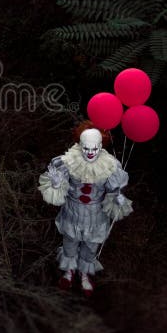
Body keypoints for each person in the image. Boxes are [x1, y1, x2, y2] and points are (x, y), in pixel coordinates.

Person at [37, 123, 133, 296]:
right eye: (86, 148)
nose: (90, 152)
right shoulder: (68, 162)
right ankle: (69, 271)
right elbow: (59, 188)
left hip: (96, 215)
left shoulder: (109, 165)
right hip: (72, 211)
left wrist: (117, 198)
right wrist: (57, 183)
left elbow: (113, 189)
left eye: (95, 148)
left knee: (90, 247)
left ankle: (84, 275)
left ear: (100, 146)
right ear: (80, 146)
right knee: (70, 243)